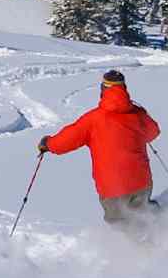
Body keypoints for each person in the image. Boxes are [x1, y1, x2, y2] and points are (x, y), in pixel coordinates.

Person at [37, 70, 161, 230]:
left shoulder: (93, 120)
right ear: (124, 88)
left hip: (113, 187)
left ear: (103, 90)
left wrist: (48, 143)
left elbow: (63, 142)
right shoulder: (138, 113)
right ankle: (159, 230)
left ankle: (140, 250)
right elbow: (153, 132)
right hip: (142, 181)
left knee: (121, 225)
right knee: (142, 212)